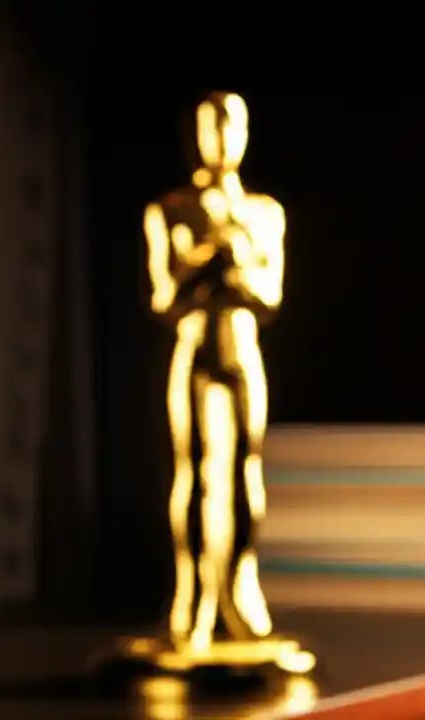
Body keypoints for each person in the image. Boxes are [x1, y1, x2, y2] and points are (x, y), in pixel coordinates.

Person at [143, 92, 284, 653]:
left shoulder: (263, 213)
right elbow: (165, 297)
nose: (223, 137)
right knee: (196, 472)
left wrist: (231, 259)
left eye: (232, 126)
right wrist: (210, 258)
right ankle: (195, 593)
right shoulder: (171, 210)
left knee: (246, 470)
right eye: (212, 126)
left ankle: (241, 585)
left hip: (241, 347)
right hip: (197, 347)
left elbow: (269, 295)